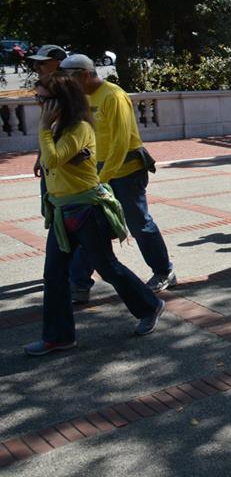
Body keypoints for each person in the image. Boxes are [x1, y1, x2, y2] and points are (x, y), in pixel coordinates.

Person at [25, 74, 164, 356]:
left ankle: (150, 306)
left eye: (42, 99)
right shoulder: (58, 127)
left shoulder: (79, 128)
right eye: (37, 98)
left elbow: (53, 158)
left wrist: (43, 130)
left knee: (107, 267)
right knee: (54, 275)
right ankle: (58, 337)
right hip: (63, 213)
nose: (39, 104)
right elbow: (51, 160)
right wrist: (46, 143)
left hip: (87, 212)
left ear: (60, 101)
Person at [59, 54, 175, 302]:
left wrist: (102, 178)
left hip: (126, 172)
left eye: (70, 79)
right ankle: (79, 283)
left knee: (139, 223)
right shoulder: (82, 97)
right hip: (98, 172)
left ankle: (164, 271)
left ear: (85, 74)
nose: (68, 85)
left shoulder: (113, 96)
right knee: (91, 228)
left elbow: (121, 143)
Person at [28, 46, 68, 180]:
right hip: (50, 170)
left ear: (59, 63)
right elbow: (47, 129)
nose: (36, 67)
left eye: (42, 63)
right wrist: (40, 158)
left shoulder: (74, 97)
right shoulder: (46, 91)